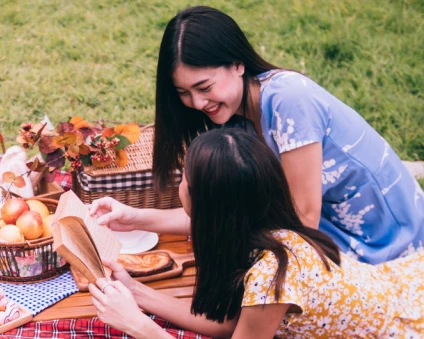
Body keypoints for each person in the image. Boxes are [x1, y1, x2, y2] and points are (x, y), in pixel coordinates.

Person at [93, 5, 424, 264]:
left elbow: (303, 220)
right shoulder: (236, 122)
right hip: (322, 231)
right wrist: (134, 218)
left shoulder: (288, 99)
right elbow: (221, 214)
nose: (196, 103)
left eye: (204, 87)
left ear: (238, 64)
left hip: (385, 241)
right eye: (183, 92)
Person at [88, 128, 424, 339]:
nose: (180, 185)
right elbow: (231, 323)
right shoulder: (264, 231)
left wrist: (137, 326)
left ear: (211, 208)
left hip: (412, 315)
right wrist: (136, 293)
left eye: (186, 179)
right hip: (401, 280)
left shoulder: (272, 275)